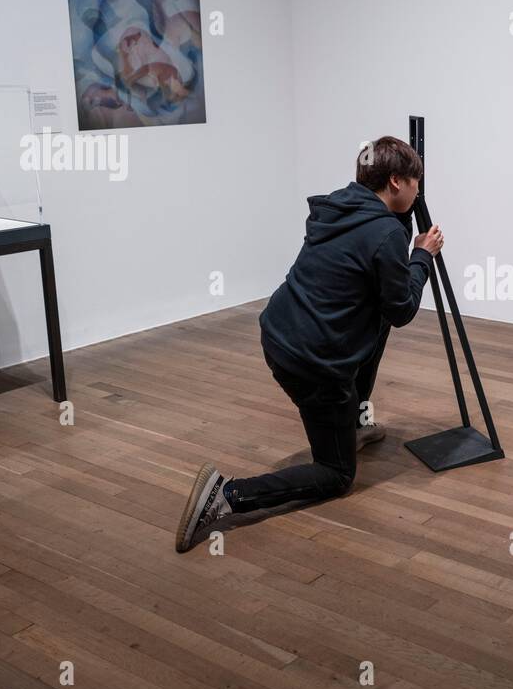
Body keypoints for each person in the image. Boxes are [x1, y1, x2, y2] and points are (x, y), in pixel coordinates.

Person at [176, 135, 443, 553]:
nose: (418, 190)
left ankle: (352, 423)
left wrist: (402, 235)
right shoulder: (386, 236)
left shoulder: (340, 206)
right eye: (415, 182)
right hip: (315, 362)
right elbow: (403, 309)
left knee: (375, 321)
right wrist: (421, 257)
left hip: (280, 333)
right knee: (336, 474)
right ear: (395, 181)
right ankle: (226, 494)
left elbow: (381, 283)